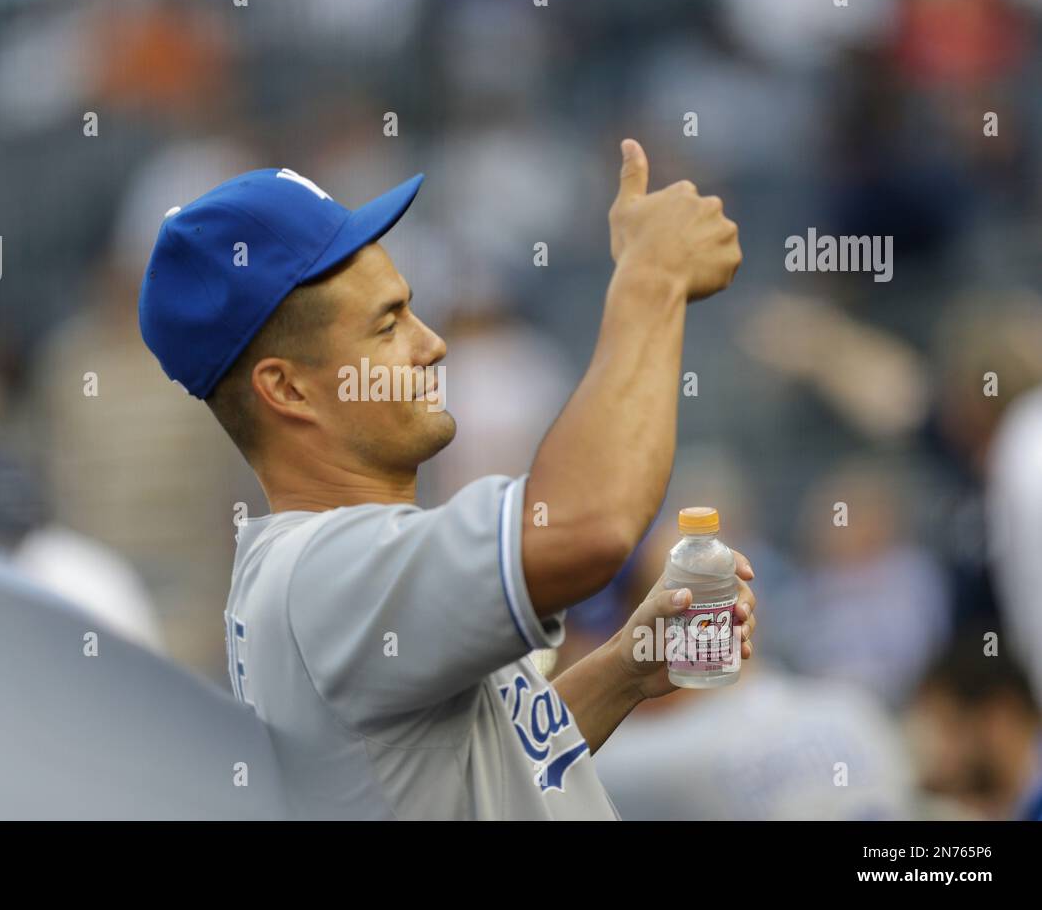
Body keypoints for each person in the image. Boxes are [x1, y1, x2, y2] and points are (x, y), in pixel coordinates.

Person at [137, 144, 754, 819]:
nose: (432, 344)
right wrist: (651, 279)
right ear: (287, 389)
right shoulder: (326, 571)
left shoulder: (326, 570)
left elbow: (492, 768)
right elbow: (588, 527)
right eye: (389, 323)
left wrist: (624, 669)